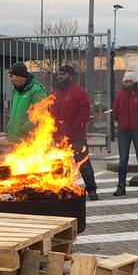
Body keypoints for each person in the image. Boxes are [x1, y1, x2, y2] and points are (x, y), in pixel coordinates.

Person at [49, 64, 98, 200]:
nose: (60, 77)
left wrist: (77, 125)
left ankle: (91, 189)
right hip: (59, 136)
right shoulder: (55, 93)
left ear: (70, 76)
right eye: (58, 74)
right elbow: (50, 112)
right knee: (59, 164)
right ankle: (61, 188)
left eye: (63, 74)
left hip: (76, 136)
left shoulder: (79, 92)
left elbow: (85, 111)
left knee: (83, 163)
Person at [111, 71, 138, 197]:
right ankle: (121, 187)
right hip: (123, 130)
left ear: (134, 81)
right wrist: (121, 122)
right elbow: (115, 111)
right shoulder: (119, 95)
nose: (128, 83)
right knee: (123, 159)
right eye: (126, 81)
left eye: (130, 81)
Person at [6, 62, 48, 143]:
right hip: (14, 138)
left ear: (20, 77)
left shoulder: (37, 90)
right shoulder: (17, 90)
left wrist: (24, 129)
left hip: (28, 141)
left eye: (12, 76)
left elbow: (40, 114)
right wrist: (9, 127)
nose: (10, 80)